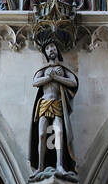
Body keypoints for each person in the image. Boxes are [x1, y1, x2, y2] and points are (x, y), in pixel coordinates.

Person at [29, 42, 79, 175]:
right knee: (41, 135)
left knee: (59, 133)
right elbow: (35, 82)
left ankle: (59, 165)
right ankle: (40, 166)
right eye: (47, 48)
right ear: (45, 53)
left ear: (57, 50)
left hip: (57, 103)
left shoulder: (63, 68)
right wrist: (49, 76)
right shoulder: (44, 68)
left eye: (53, 47)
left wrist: (57, 77)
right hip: (45, 103)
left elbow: (73, 82)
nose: (51, 50)